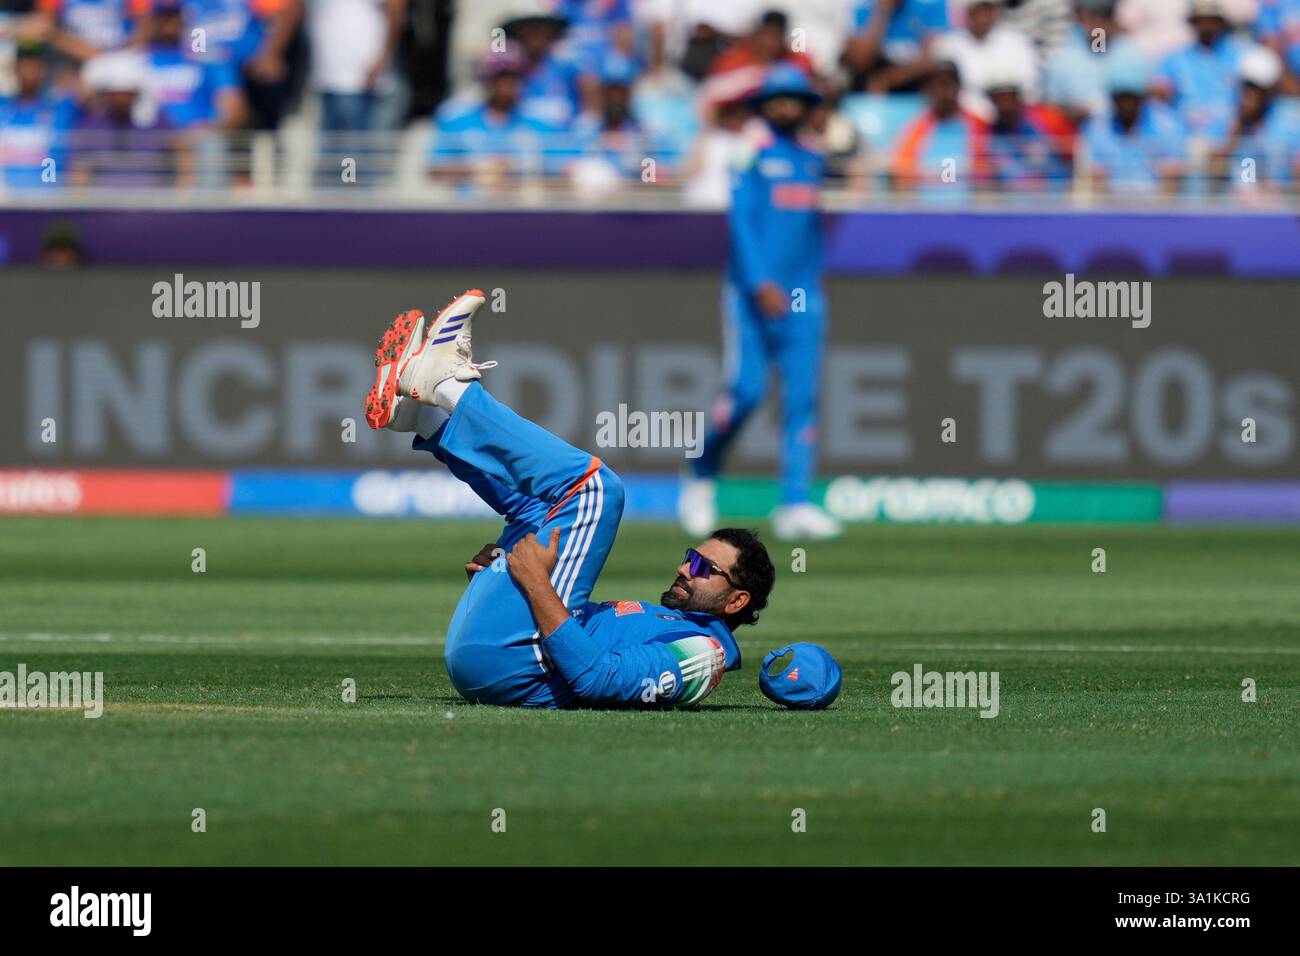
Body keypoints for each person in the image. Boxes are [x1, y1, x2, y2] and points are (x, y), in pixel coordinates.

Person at [362, 290, 775, 709]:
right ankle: (425, 419)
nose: (685, 567)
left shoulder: (706, 655)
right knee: (538, 511)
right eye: (691, 555)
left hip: (517, 667)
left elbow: (599, 681)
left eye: (703, 567)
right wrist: (506, 582)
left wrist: (536, 582)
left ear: (736, 599)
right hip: (506, 658)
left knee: (599, 489)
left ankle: (449, 386)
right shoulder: (668, 619)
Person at [680, 63, 842, 543]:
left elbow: (811, 234)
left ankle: (794, 503)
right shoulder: (750, 152)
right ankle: (702, 473)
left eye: (796, 98)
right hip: (752, 296)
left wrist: (810, 287)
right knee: (746, 392)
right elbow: (743, 224)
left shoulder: (813, 159)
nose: (787, 106)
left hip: (805, 296)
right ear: (766, 105)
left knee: (802, 399)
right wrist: (760, 282)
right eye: (779, 99)